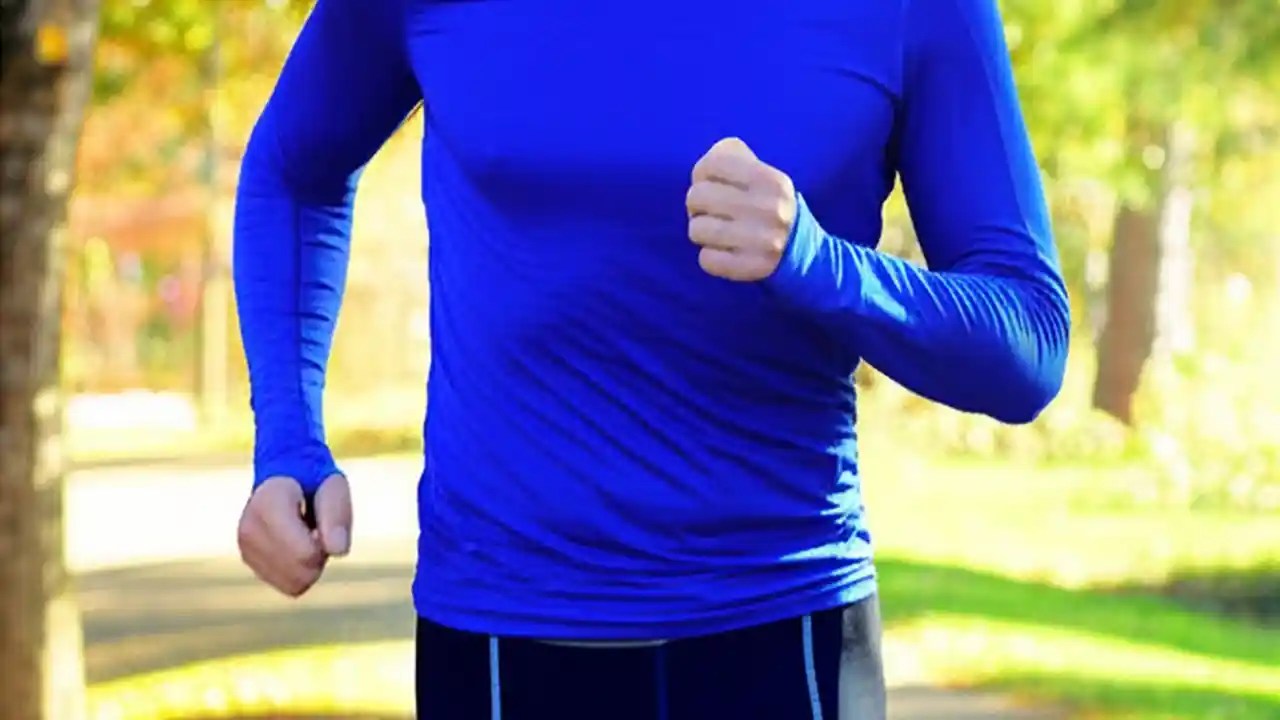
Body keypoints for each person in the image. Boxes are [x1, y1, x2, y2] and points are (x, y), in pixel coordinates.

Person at [232, 0, 1070, 717]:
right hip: (501, 637)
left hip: (784, 634)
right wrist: (289, 441)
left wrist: (819, 264)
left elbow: (1027, 342)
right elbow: (293, 168)